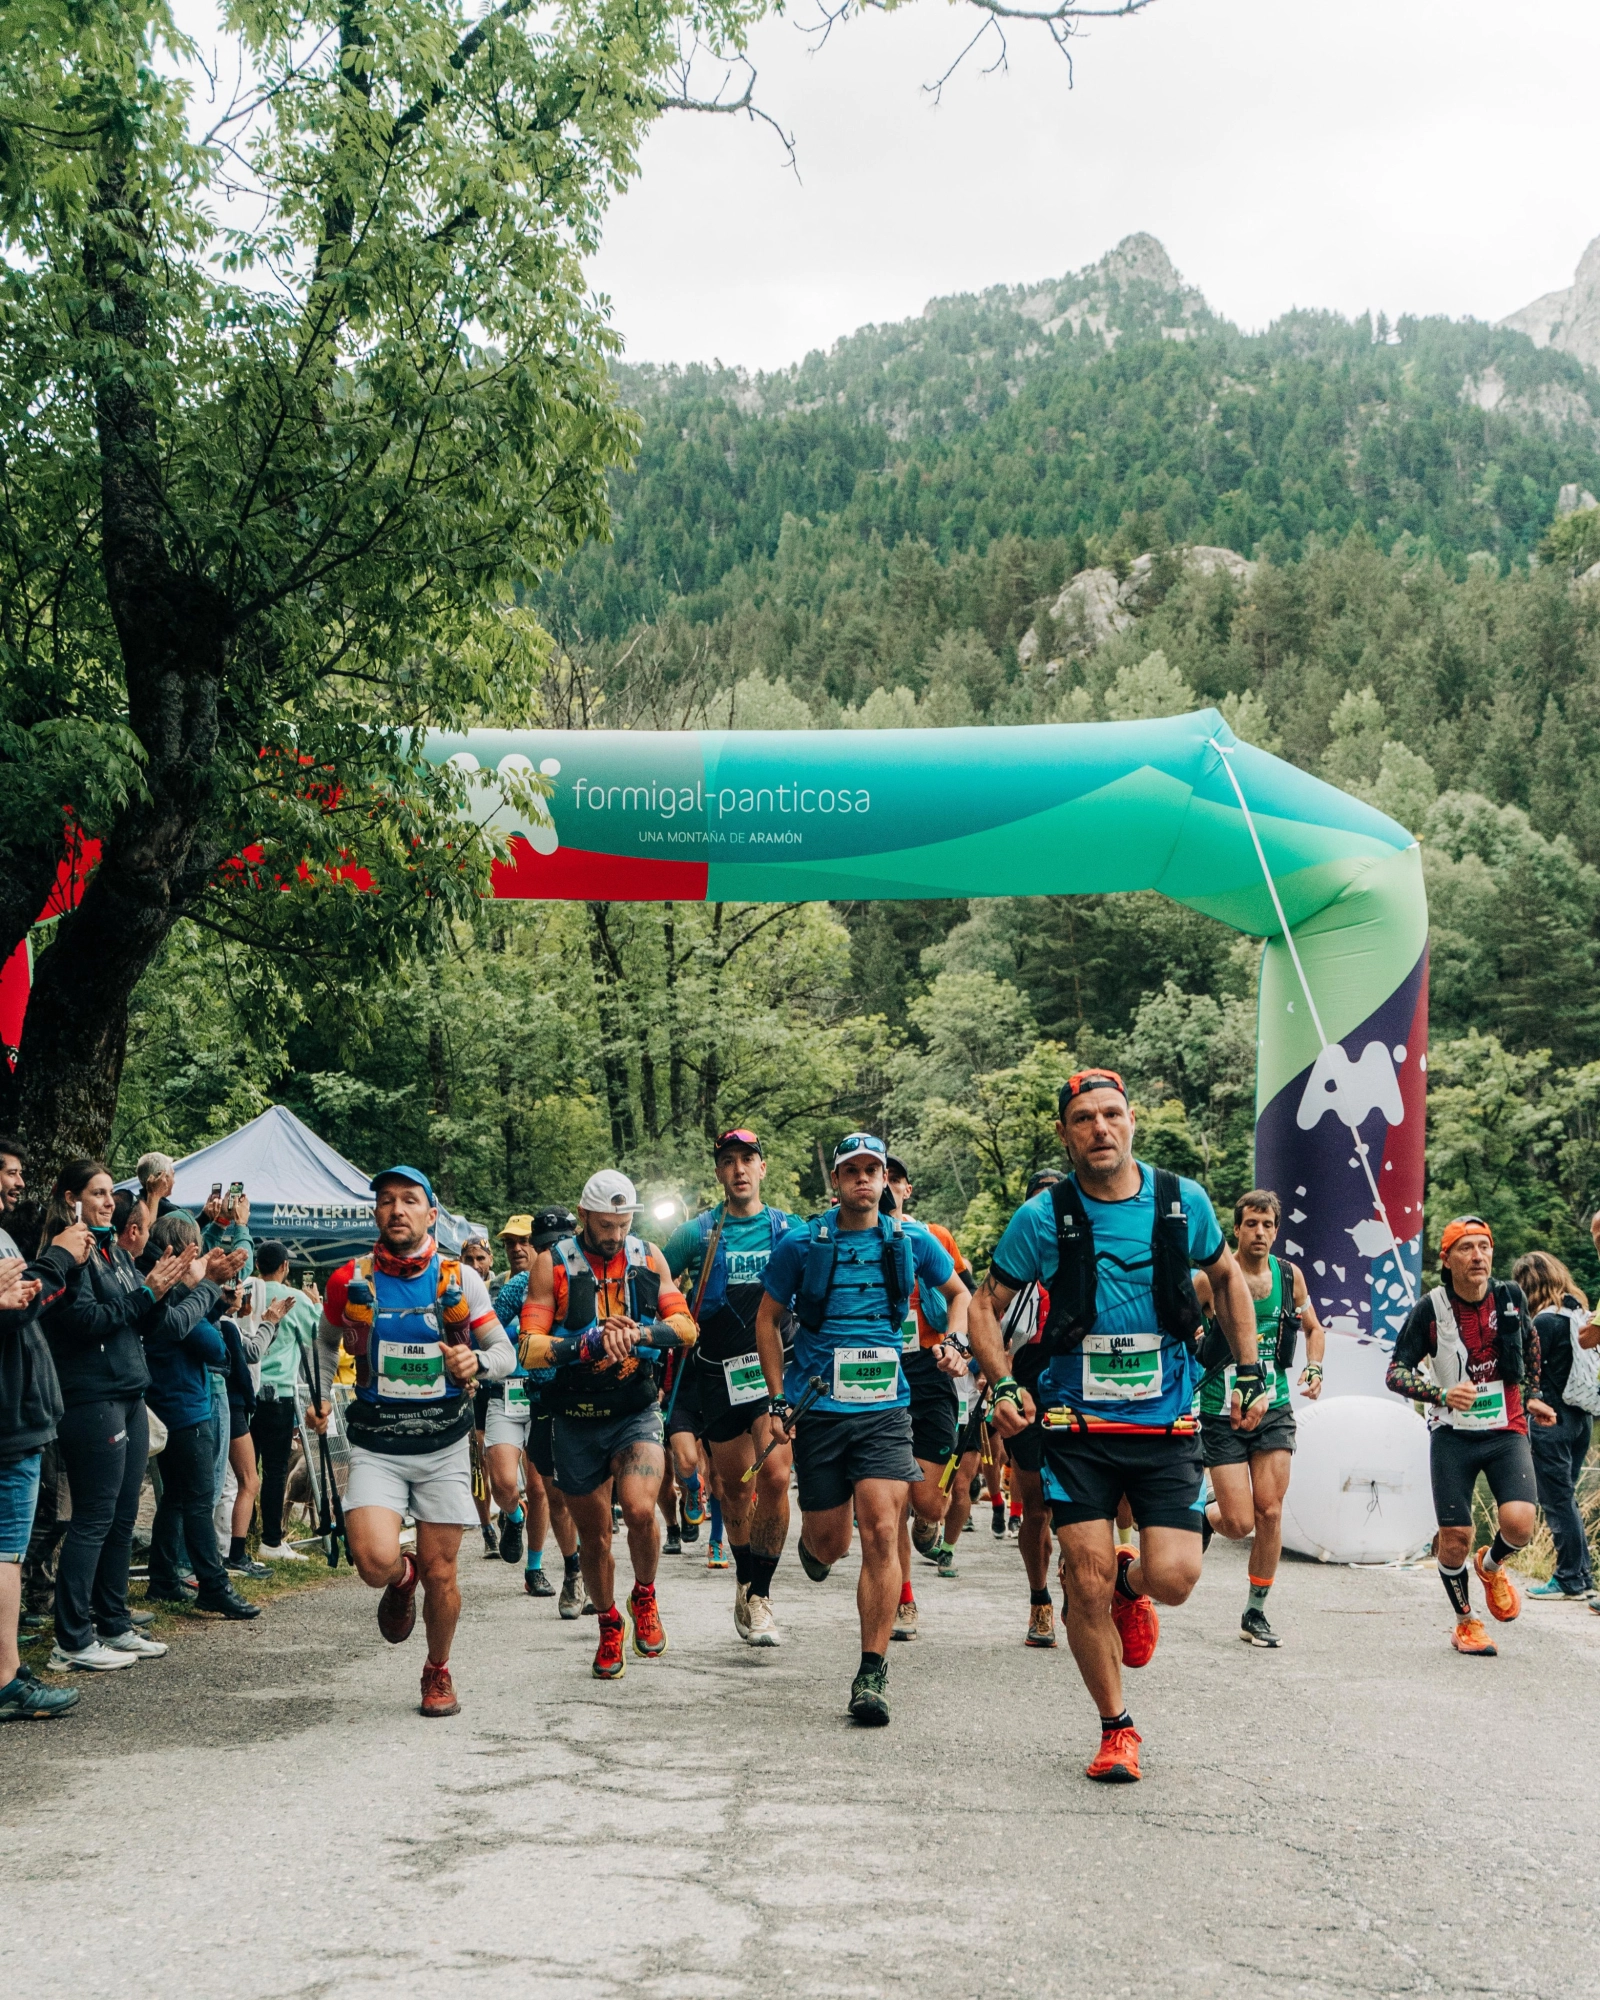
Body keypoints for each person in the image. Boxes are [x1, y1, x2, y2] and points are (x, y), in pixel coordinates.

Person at [967, 1071, 1261, 1783]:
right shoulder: (1043, 1217)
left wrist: (1249, 1368)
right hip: (1076, 1426)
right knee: (1085, 1579)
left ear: (1132, 1123)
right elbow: (983, 1304)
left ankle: (1136, 1590)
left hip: (1166, 1424)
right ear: (1066, 1134)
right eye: (1083, 1119)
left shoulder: (1180, 1200)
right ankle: (1116, 1727)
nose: (1100, 1128)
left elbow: (1226, 1279)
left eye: (1111, 1115)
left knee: (1177, 1578)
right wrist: (1003, 1382)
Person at [755, 1132, 969, 1726]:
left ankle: (871, 1671)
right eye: (851, 1170)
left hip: (884, 1411)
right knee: (833, 1544)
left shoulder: (912, 1242)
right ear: (838, 1181)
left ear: (883, 1178)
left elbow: (959, 1296)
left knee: (881, 1529)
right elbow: (768, 1320)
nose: (863, 1180)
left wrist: (953, 1342)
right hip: (820, 1409)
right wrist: (778, 1399)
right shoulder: (802, 1244)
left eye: (872, 1170)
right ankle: (812, 1543)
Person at [311, 1166, 513, 1716]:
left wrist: (476, 1359)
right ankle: (402, 1578)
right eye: (385, 1201)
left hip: (444, 1445)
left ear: (430, 1214)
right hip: (377, 1442)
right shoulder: (350, 1278)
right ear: (375, 1213)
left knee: (444, 1571)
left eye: (409, 1200)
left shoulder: (459, 1279)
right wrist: (321, 1393)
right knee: (372, 1560)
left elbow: (505, 1354)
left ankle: (437, 1671)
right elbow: (325, 1341)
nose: (396, 1209)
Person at [519, 1173, 697, 1678]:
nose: (616, 1235)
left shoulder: (649, 1257)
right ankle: (609, 1625)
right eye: (606, 1225)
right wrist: (587, 1343)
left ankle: (645, 1596)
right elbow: (528, 1347)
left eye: (624, 1224)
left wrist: (639, 1332)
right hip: (575, 1418)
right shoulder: (550, 1265)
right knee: (595, 1538)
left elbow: (685, 1327)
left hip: (634, 1411)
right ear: (583, 1216)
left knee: (641, 1509)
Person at [39, 1161, 191, 1669]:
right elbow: (84, 1321)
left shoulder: (109, 1250)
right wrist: (144, 1294)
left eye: (110, 1193)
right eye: (98, 1193)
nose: (108, 1201)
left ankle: (114, 1622)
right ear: (71, 1199)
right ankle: (72, 1640)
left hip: (129, 1393)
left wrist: (158, 1290)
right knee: (94, 1518)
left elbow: (138, 1315)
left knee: (123, 1517)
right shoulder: (68, 1256)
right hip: (91, 1399)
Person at [1385, 1216, 1554, 1657]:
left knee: (1519, 1525)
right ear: (1448, 1259)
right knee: (1455, 1537)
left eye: (1484, 1247)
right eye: (1466, 1248)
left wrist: (1532, 1394)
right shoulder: (1431, 1308)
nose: (1478, 1256)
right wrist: (1440, 1392)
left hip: (1507, 1429)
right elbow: (1395, 1371)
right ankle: (1466, 1622)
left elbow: (1532, 1346)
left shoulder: (1510, 1298)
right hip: (1453, 1435)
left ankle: (1491, 1565)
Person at [663, 1129, 804, 1647]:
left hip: (775, 1376)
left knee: (775, 1474)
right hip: (717, 1375)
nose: (740, 1169)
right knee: (737, 1487)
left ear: (763, 1168)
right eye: (728, 1161)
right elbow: (652, 1281)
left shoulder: (790, 1230)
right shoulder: (695, 1235)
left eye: (748, 1159)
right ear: (719, 1173)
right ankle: (745, 1578)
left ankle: (762, 1594)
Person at [1194, 1189, 1325, 1647]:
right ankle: (1204, 1516)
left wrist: (1314, 1366)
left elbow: (1313, 1329)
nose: (1261, 1233)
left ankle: (1255, 1612)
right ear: (1236, 1228)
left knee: (1269, 1510)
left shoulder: (1290, 1278)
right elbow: (1179, 1337)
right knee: (1239, 1522)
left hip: (1274, 1406)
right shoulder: (1209, 1280)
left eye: (1268, 1225)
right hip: (1220, 1411)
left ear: (1277, 1230)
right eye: (1252, 1223)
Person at [0, 1144, 88, 1720]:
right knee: (7, 1551)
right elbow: (16, 1311)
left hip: (25, 1416)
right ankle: (6, 1679)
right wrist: (57, 1258)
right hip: (10, 1421)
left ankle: (5, 1664)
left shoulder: (5, 1237)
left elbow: (21, 1303)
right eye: (10, 1172)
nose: (19, 1182)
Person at [142, 1212, 263, 1621]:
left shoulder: (173, 1294)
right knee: (198, 1498)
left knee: (176, 1498)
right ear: (185, 1251)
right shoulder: (172, 1294)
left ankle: (162, 1576)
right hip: (184, 1405)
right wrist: (210, 1300)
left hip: (174, 1401)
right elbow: (213, 1347)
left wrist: (212, 1305)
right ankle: (212, 1584)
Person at [882, 1155, 971, 1640]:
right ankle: (903, 1595)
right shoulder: (851, 1237)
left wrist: (958, 1346)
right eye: (881, 1178)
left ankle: (929, 1523)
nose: (887, 1188)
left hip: (931, 1364)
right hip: (880, 1370)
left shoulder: (932, 1236)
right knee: (894, 1493)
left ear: (906, 1189)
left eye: (895, 1180)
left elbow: (963, 1295)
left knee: (929, 1503)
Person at [494, 1208, 585, 1611]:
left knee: (565, 1493)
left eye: (558, 1244)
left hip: (579, 1398)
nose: (552, 1252)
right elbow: (490, 1330)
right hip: (527, 1396)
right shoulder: (519, 1285)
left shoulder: (588, 1274)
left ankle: (558, 1568)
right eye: (544, 1246)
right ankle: (567, 1565)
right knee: (527, 1489)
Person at [991, 1166, 1062, 1648]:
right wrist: (997, 1377)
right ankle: (1040, 1600)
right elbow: (984, 1320)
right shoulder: (1016, 1274)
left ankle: (1086, 1581)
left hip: (1083, 1392)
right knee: (1035, 1506)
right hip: (1029, 1393)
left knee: (1089, 1503)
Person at [1510, 1250, 1593, 1602]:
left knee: (1557, 1501)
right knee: (1566, 1499)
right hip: (1582, 1418)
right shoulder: (1578, 1314)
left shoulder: (1543, 1321)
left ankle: (1569, 1579)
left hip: (1551, 1419)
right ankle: (1583, 1576)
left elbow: (1529, 1375)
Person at [248, 1240, 320, 1562]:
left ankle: (242, 1531)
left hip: (245, 1392)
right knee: (275, 1470)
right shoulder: (296, 1299)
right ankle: (271, 1541)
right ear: (285, 1266)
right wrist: (315, 1305)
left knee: (244, 1470)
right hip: (278, 1394)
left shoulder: (246, 1289)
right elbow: (317, 1337)